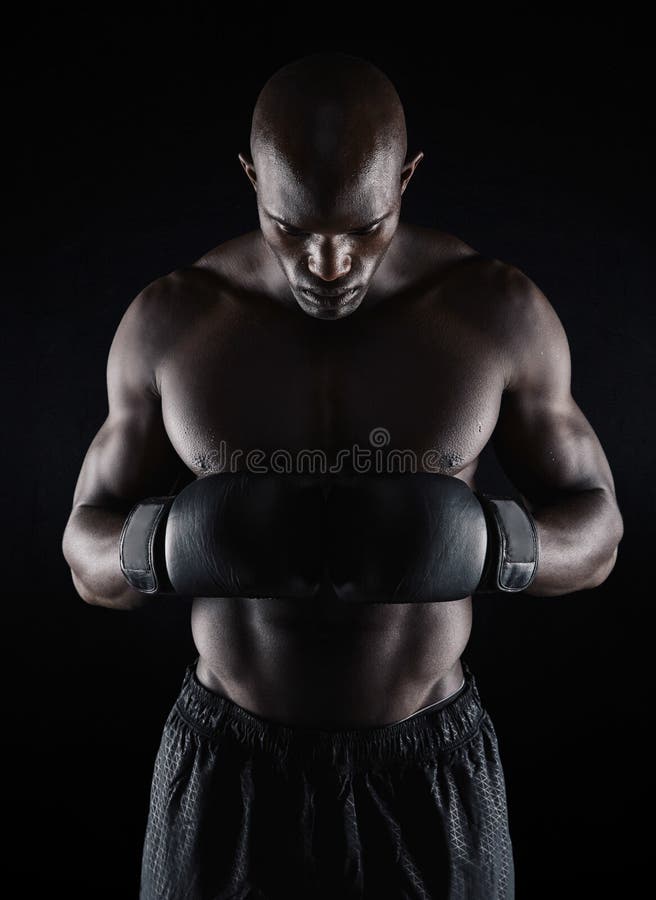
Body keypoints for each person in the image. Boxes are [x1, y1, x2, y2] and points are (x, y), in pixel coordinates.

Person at [62, 52, 623, 899]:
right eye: (291, 227)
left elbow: (600, 531)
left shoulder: (494, 311)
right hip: (228, 768)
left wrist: (492, 544)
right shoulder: (173, 322)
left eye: (365, 226)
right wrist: (169, 546)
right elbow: (82, 550)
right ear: (252, 179)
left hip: (429, 768)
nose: (329, 263)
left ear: (407, 178)